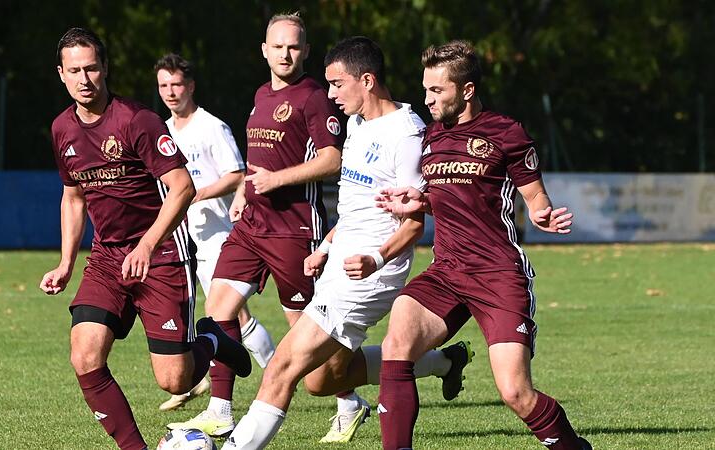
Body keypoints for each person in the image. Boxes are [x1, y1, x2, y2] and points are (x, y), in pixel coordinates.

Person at [221, 36, 474, 450]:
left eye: (338, 84)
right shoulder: (358, 125)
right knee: (323, 379)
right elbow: (357, 207)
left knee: (282, 366)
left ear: (368, 81)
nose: (331, 94)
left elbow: (414, 225)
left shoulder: (407, 135)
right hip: (341, 261)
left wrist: (374, 259)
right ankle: (446, 361)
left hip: (370, 274)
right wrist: (327, 245)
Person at [374, 40, 593, 450]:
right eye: (426, 90)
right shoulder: (432, 138)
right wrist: (419, 201)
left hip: (497, 275)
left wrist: (542, 214)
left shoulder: (505, 133)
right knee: (396, 345)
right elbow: (451, 199)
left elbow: (534, 197)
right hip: (446, 271)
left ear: (467, 90)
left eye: (437, 91)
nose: (428, 100)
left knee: (515, 392)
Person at [40, 28, 251, 450]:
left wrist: (148, 245)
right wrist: (66, 262)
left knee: (173, 379)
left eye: (92, 68)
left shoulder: (137, 120)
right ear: (61, 74)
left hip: (162, 253)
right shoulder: (62, 128)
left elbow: (182, 187)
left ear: (105, 69)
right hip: (107, 257)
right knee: (84, 354)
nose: (84, 79)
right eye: (75, 70)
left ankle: (210, 339)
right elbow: (73, 197)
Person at [168, 12, 344, 437]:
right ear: (264, 50)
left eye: (294, 46)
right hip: (251, 226)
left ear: (305, 51)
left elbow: (332, 159)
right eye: (278, 45)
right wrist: (245, 194)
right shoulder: (261, 95)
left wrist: (276, 180)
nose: (286, 53)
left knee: (310, 342)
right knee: (218, 309)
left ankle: (350, 398)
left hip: (294, 229)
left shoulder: (313, 98)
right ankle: (221, 409)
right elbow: (256, 162)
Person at [154, 54, 277, 412]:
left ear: (191, 86)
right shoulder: (162, 129)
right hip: (179, 236)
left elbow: (237, 174)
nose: (170, 92)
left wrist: (193, 194)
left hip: (213, 235)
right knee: (181, 311)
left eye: (176, 84)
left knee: (233, 315)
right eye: (163, 86)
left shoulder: (211, 126)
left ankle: (277, 375)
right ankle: (192, 379)